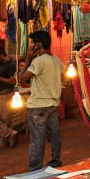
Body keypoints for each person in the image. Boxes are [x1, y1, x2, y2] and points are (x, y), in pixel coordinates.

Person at [18, 30, 64, 170]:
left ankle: (35, 168)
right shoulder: (56, 60)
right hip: (52, 104)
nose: (30, 46)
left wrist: (28, 59)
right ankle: (55, 161)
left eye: (32, 44)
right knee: (54, 135)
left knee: (37, 139)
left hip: (38, 105)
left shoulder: (38, 61)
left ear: (38, 45)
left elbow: (21, 77)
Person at [0, 46, 19, 150]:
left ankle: (4, 141)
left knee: (6, 119)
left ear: (2, 55)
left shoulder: (11, 65)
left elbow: (12, 81)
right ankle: (11, 133)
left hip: (7, 94)